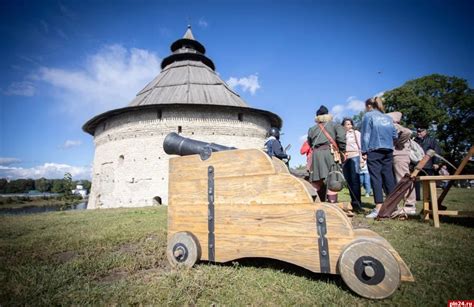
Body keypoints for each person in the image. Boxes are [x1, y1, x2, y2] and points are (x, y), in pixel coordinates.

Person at [360, 97, 398, 218]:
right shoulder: (388, 117)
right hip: (388, 149)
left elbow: (365, 134)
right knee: (389, 177)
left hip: (374, 149)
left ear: (369, 106)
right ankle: (393, 207)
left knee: (376, 178)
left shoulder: (368, 116)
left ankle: (378, 208)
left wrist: (364, 150)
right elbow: (395, 134)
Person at [307, 105, 346, 203]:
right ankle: (333, 206)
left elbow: (310, 143)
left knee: (315, 182)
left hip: (316, 156)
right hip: (330, 154)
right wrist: (342, 151)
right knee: (333, 180)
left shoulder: (312, 129)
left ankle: (311, 204)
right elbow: (342, 138)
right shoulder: (335, 125)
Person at [387, 111, 417, 215]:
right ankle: (399, 205)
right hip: (396, 156)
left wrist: (398, 143)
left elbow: (408, 132)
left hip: (400, 156)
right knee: (399, 180)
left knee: (403, 179)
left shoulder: (395, 126)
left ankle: (410, 205)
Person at [414, 124, 441, 200]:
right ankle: (417, 197)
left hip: (428, 165)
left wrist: (436, 162)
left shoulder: (432, 140)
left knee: (430, 182)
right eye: (417, 131)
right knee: (415, 181)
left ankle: (430, 197)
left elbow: (437, 151)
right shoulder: (414, 140)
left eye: (420, 131)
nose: (418, 133)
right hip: (417, 164)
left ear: (425, 131)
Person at [341, 118, 362, 211]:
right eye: (346, 124)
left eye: (350, 124)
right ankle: (353, 201)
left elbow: (360, 146)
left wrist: (362, 158)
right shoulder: (341, 135)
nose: (348, 126)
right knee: (348, 181)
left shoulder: (356, 133)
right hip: (345, 158)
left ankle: (357, 203)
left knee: (355, 180)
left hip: (355, 156)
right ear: (343, 126)